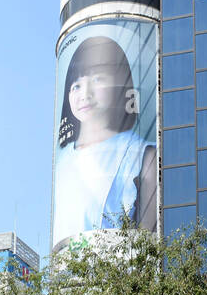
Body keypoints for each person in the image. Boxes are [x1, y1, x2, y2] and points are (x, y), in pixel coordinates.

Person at [52, 34, 157, 247]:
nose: (85, 94)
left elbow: (150, 245)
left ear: (121, 85)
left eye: (98, 79)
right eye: (76, 85)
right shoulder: (62, 160)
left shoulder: (143, 156)